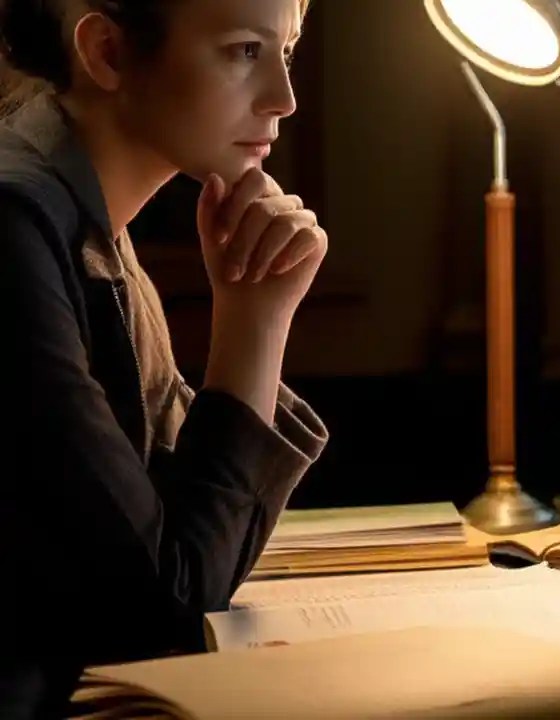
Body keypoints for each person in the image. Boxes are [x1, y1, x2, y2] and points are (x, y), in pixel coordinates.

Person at [0, 0, 329, 716]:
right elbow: (163, 603)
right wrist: (254, 321)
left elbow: (179, 548)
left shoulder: (85, 220)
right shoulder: (15, 232)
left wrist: (254, 311)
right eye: (245, 50)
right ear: (109, 53)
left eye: (288, 51)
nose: (284, 97)